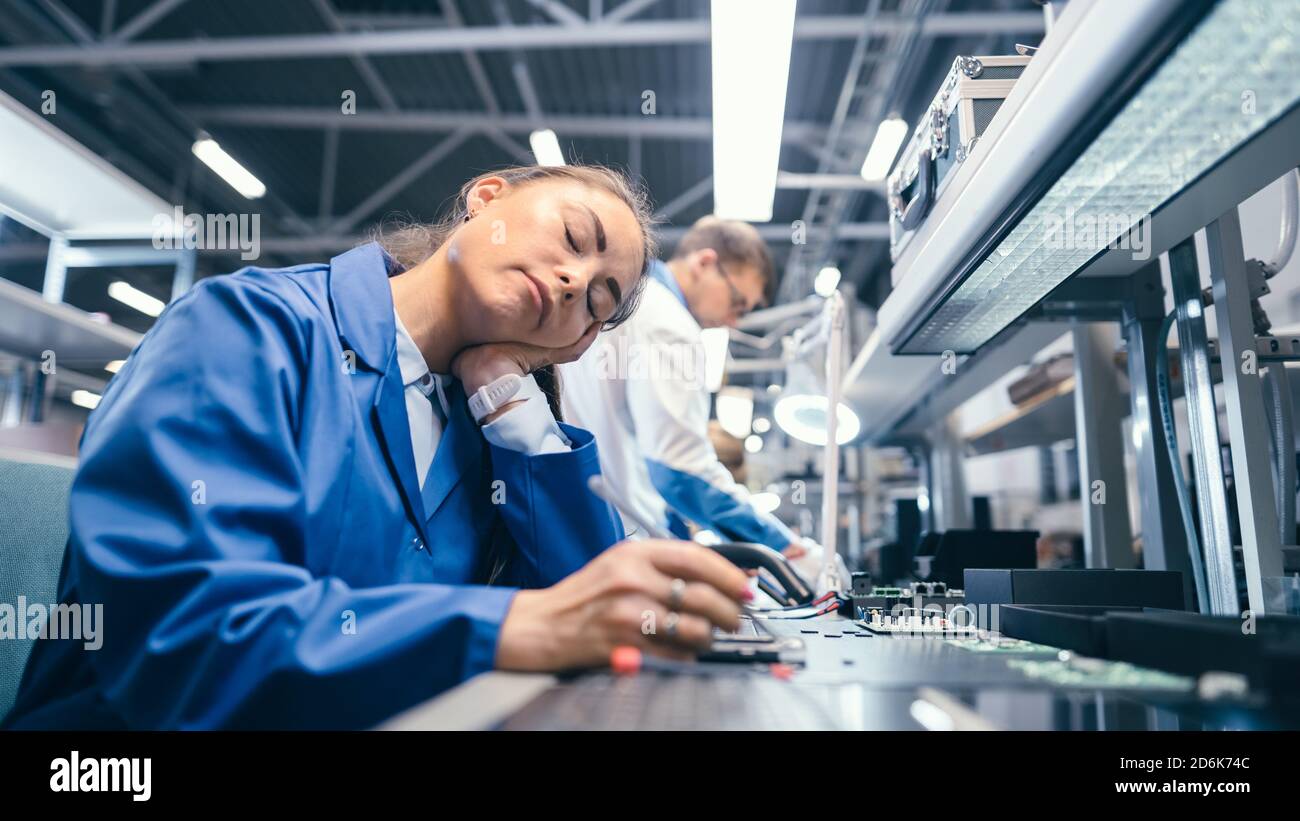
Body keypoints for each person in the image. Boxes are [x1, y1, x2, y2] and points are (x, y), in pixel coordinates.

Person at [5, 165, 749, 731]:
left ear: (579, 343)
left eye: (597, 302)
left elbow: (593, 617)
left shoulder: (483, 436)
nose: (573, 280)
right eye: (574, 239)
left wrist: (518, 417)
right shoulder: (248, 329)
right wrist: (517, 626)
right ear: (485, 198)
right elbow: (186, 639)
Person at [560, 216, 807, 557]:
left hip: (580, 521)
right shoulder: (668, 322)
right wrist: (783, 545)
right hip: (616, 538)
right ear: (704, 263)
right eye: (738, 303)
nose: (734, 322)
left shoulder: (630, 298)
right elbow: (678, 472)